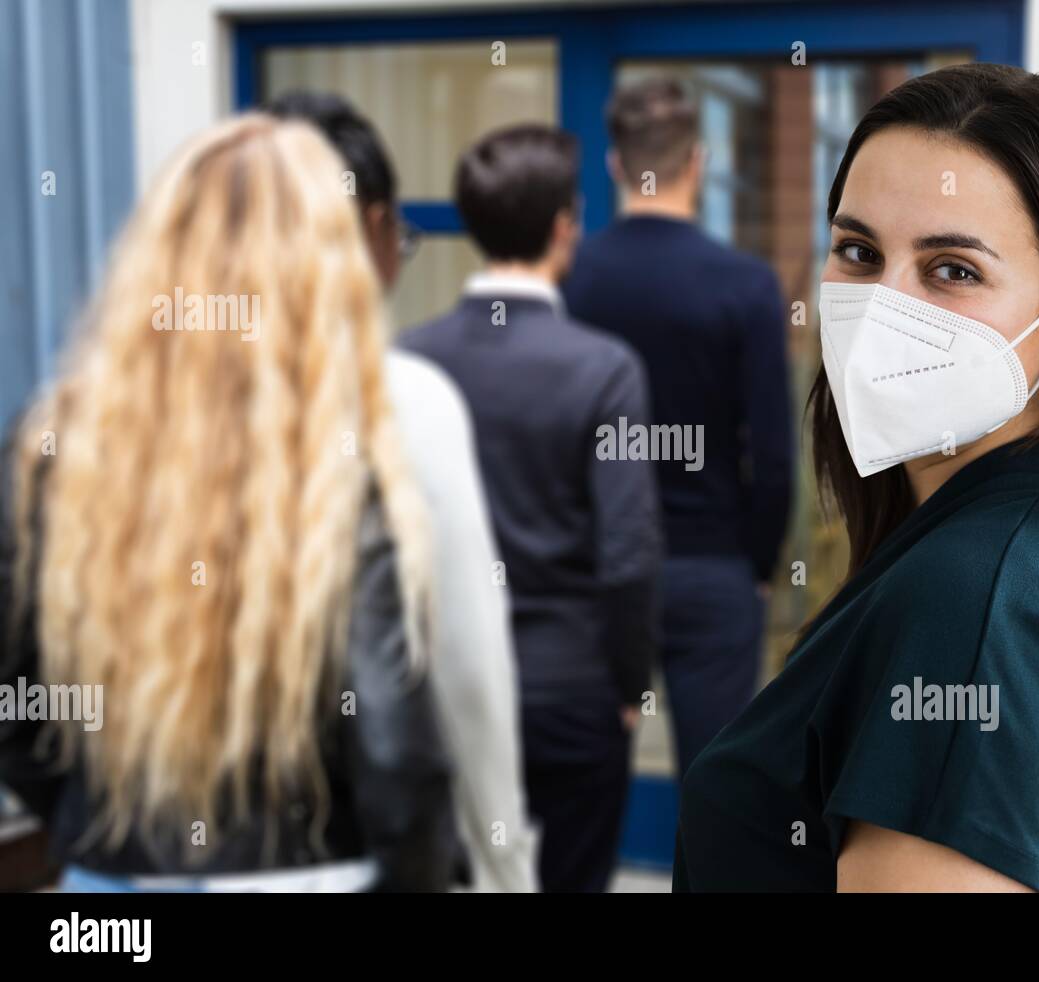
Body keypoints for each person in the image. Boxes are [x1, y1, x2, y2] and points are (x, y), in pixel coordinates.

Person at [673, 64, 1039, 892]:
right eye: (857, 251)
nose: (884, 309)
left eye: (951, 269)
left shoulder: (971, 608)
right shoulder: (1038, 538)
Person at [0, 115, 459, 891]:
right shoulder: (337, 470)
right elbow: (395, 753)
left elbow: (16, 703)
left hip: (107, 887)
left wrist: (92, 817)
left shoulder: (53, 450)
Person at [267, 90, 538, 893]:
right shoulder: (399, 401)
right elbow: (466, 670)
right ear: (376, 227)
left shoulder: (127, 406)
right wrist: (503, 864)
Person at [400, 124, 662, 893]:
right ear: (562, 226)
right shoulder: (605, 369)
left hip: (441, 688)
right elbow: (629, 552)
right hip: (571, 689)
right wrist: (625, 687)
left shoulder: (409, 358)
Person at [563, 78, 794, 780]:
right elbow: (776, 456)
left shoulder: (571, 279)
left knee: (584, 786)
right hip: (712, 568)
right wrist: (754, 564)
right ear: (698, 161)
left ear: (613, 164)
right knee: (715, 792)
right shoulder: (745, 285)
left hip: (596, 566)